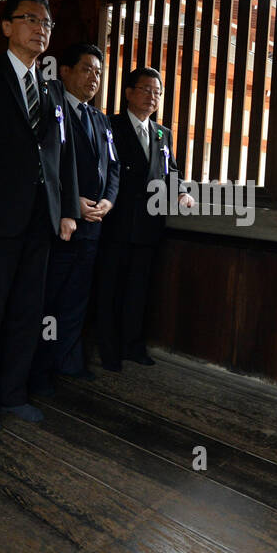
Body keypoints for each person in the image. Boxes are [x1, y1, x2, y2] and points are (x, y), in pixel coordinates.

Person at [0, 0, 78, 432]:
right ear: (6, 27)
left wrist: (65, 210)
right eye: (30, 20)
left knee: (28, 313)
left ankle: (13, 394)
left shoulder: (53, 87)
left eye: (47, 23)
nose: (40, 28)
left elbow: (62, 156)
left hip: (40, 220)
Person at [30, 43, 118, 393]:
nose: (93, 77)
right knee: (47, 299)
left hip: (94, 223)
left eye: (98, 71)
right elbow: (46, 165)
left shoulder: (100, 118)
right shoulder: (50, 108)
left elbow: (113, 167)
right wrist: (72, 202)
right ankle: (40, 369)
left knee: (77, 298)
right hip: (61, 221)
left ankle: (69, 360)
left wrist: (108, 201)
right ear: (64, 71)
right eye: (86, 69)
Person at [97, 67, 193, 370]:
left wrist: (181, 193)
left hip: (149, 225)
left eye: (158, 92)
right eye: (146, 89)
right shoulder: (109, 125)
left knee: (139, 291)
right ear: (129, 92)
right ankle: (108, 350)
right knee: (110, 290)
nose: (152, 97)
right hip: (116, 222)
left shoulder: (163, 133)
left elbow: (172, 171)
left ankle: (133, 346)